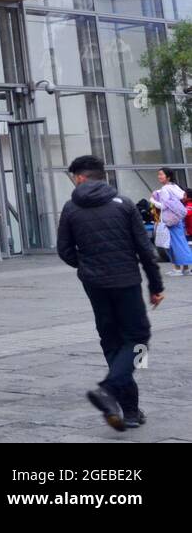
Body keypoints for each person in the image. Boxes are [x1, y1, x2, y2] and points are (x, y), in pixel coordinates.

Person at [57, 155, 164, 431]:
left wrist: (87, 266)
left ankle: (129, 409)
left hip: (95, 285)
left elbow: (65, 251)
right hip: (126, 282)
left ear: (80, 177)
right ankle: (109, 390)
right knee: (139, 339)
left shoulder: (71, 208)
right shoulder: (124, 204)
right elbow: (145, 250)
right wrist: (156, 286)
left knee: (113, 341)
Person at [151, 168, 191, 276]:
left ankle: (177, 269)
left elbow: (163, 206)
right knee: (181, 242)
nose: (159, 176)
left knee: (172, 244)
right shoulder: (175, 187)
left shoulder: (165, 189)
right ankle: (186, 269)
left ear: (168, 177)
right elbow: (181, 197)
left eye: (161, 174)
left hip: (169, 219)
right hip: (178, 218)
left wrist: (153, 201)